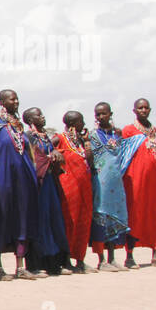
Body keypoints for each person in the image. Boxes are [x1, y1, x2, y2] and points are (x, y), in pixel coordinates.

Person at [0, 89, 39, 280]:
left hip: (22, 181)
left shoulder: (19, 127)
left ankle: (20, 266)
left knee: (22, 219)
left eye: (17, 98)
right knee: (1, 218)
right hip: (2, 181)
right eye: (11, 99)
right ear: (2, 102)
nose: (16, 101)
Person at [88, 102, 143, 272]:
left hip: (116, 185)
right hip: (100, 184)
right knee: (101, 219)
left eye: (104, 113)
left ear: (110, 114)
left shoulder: (117, 135)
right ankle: (101, 260)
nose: (101, 117)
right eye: (98, 114)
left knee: (113, 220)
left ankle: (112, 258)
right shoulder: (92, 136)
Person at [120, 98, 156, 268]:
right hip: (136, 180)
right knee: (135, 215)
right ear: (134, 111)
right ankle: (130, 256)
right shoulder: (129, 131)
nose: (143, 110)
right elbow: (123, 156)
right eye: (140, 108)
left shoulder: (154, 131)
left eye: (146, 108)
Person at [21, 107, 69, 277]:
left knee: (54, 219)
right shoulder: (27, 137)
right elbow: (32, 159)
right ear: (30, 120)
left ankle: (55, 263)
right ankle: (37, 264)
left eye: (42, 114)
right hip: (37, 184)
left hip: (49, 182)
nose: (42, 117)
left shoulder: (45, 136)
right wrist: (49, 158)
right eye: (38, 115)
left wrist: (55, 154)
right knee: (40, 221)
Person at [54, 111, 96, 274]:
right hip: (68, 189)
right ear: (72, 124)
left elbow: (90, 160)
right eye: (80, 121)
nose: (83, 124)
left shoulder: (80, 141)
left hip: (84, 187)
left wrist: (86, 142)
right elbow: (46, 149)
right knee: (69, 221)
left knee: (83, 222)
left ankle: (80, 260)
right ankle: (65, 260)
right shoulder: (60, 138)